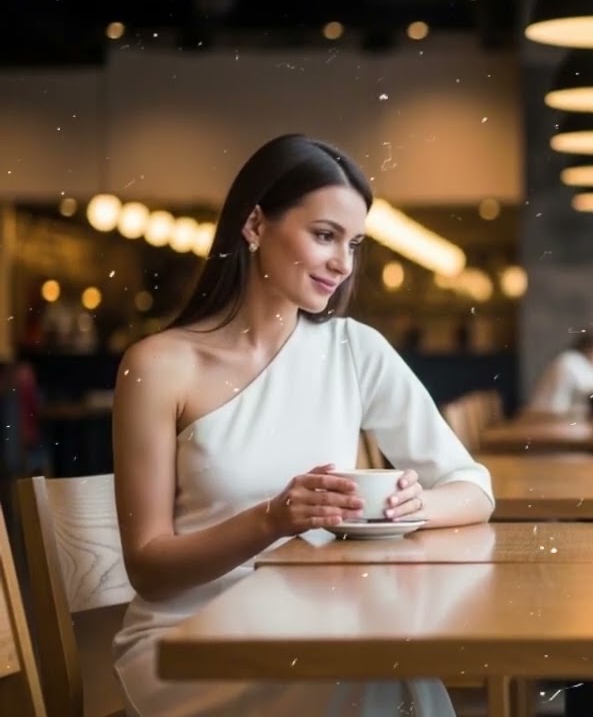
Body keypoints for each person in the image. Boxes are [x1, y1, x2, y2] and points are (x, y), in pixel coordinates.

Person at [111, 134, 494, 717]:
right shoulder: (158, 366)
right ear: (255, 225)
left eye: (354, 243)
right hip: (193, 641)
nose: (344, 264)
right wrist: (271, 519)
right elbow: (149, 570)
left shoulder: (354, 350)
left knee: (383, 670)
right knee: (378, 679)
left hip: (317, 625)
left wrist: (407, 507)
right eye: (325, 236)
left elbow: (473, 488)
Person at [525, 330, 593, 416]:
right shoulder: (568, 362)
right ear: (590, 349)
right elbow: (556, 404)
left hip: (565, 421)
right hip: (545, 419)